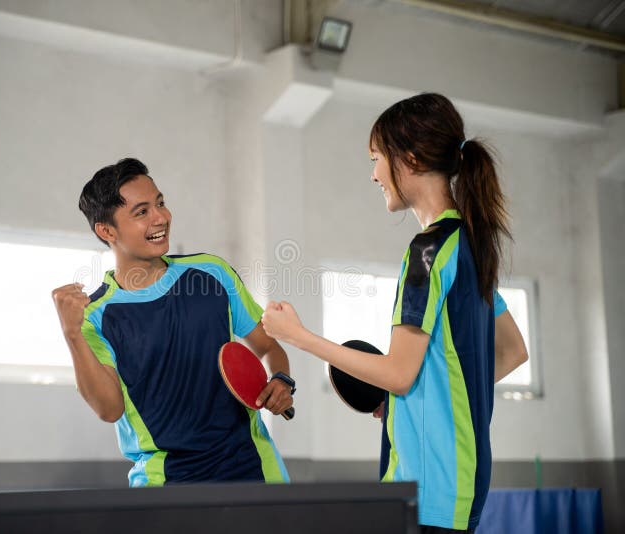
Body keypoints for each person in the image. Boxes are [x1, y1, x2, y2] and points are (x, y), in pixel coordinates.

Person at [261, 93, 529, 533]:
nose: (373, 175)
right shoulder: (471, 245)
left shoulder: (427, 251)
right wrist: (420, 403)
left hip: (427, 486)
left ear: (408, 159)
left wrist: (299, 336)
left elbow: (400, 374)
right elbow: (513, 351)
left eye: (376, 159)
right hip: (465, 478)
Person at [52, 157, 293, 487]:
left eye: (160, 203)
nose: (161, 217)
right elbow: (108, 410)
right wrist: (71, 334)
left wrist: (281, 379)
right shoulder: (95, 317)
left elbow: (267, 346)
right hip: (164, 484)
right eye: (142, 212)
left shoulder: (212, 273)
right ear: (107, 231)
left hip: (251, 468)